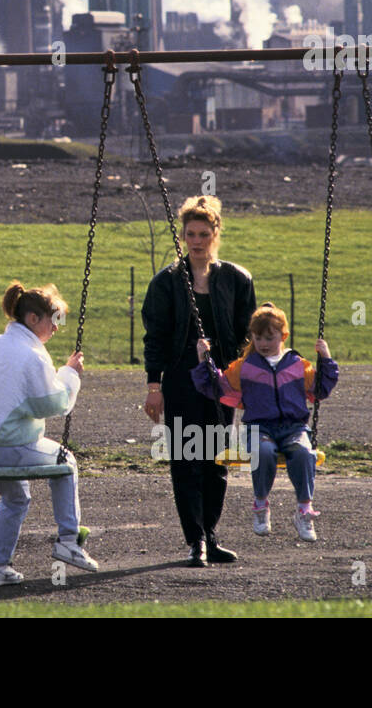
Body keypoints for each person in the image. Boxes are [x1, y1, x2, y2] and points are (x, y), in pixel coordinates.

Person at [0, 281, 98, 587]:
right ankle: (69, 541)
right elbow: (55, 404)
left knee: (16, 497)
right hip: (11, 444)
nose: (57, 328)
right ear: (34, 319)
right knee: (66, 461)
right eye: (54, 319)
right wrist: (69, 373)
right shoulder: (32, 354)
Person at [141, 195, 256, 567]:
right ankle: (195, 541)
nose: (196, 240)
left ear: (215, 233)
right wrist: (154, 387)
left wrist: (235, 365)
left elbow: (247, 333)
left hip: (221, 381)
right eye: (190, 233)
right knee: (187, 457)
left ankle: (211, 534)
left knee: (216, 459)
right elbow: (155, 338)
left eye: (203, 233)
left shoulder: (237, 279)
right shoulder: (167, 283)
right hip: (180, 381)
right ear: (182, 235)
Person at [191, 303, 339, 542]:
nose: (263, 343)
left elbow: (320, 388)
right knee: (263, 451)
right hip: (259, 428)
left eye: (269, 337)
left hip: (294, 427)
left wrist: (326, 358)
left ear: (284, 336)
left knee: (303, 452)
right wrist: (203, 359)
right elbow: (217, 386)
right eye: (257, 337)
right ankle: (261, 506)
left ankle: (304, 510)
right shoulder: (245, 367)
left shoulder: (298, 365)